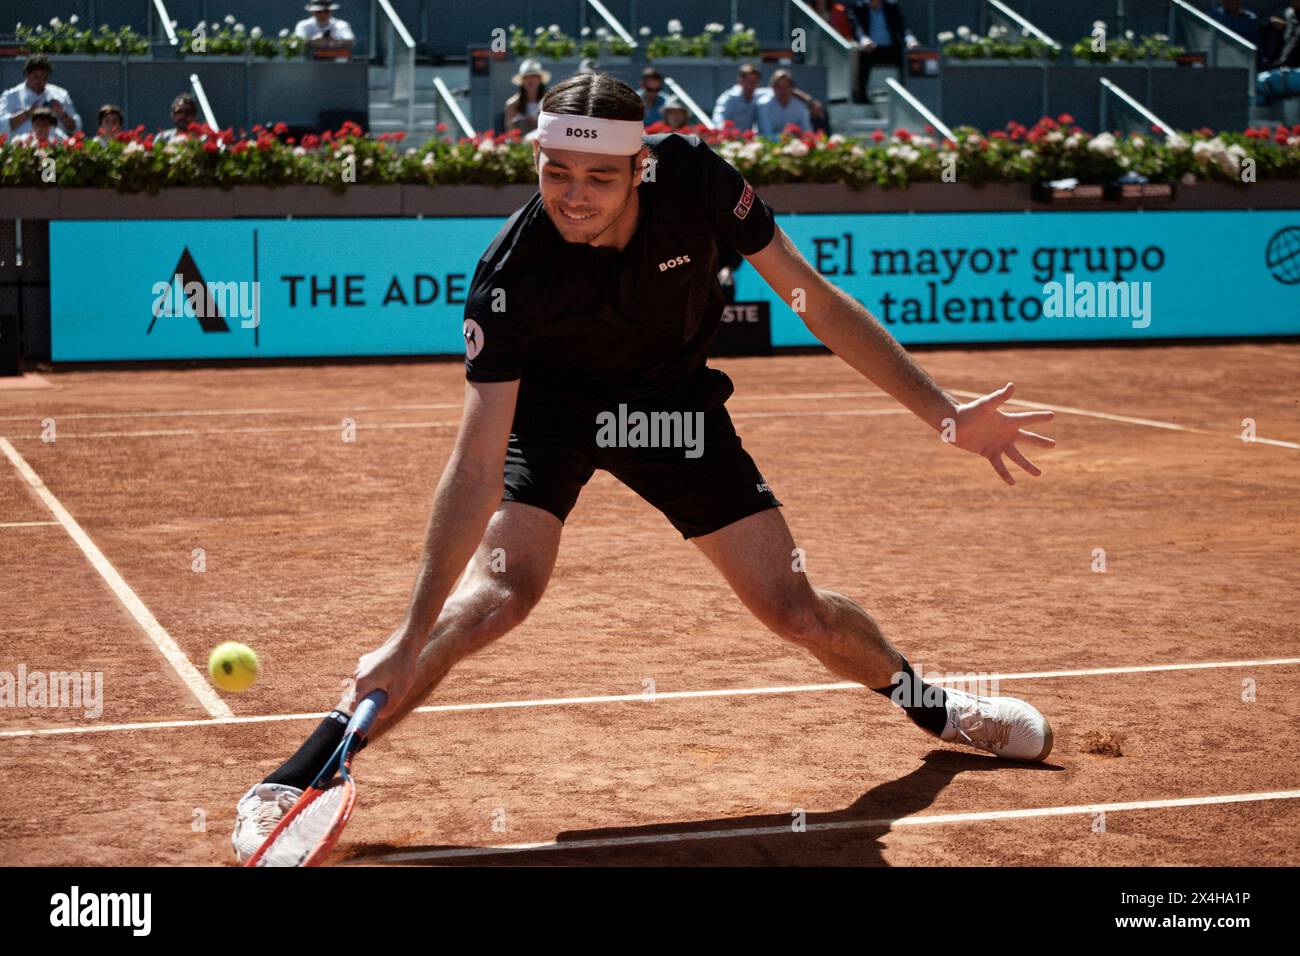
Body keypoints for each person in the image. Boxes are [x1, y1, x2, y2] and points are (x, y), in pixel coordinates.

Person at [231, 71, 1057, 862]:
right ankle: (298, 777)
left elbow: (814, 301)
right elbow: (477, 465)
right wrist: (408, 633)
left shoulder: (697, 181)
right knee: (494, 602)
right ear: (536, 163)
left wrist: (944, 413)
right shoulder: (511, 276)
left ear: (642, 166)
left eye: (599, 175)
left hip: (675, 411)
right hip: (552, 417)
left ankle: (937, 711)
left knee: (798, 613)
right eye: (557, 172)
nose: (575, 195)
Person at [848, 0, 918, 104]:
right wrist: (864, 40)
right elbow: (858, 28)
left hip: (891, 48)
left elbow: (903, 28)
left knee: (905, 57)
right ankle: (862, 96)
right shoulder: (859, 7)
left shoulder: (892, 6)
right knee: (863, 57)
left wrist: (910, 40)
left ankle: (905, 95)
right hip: (870, 48)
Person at [1, 54, 81, 139]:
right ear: (27, 75)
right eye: (36, 77)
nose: (40, 81)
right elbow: (1, 126)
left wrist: (63, 114)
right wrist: (27, 113)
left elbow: (75, 128)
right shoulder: (10, 96)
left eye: (44, 77)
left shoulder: (60, 95)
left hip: (55, 148)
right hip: (21, 149)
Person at [756, 69, 812, 137]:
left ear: (792, 88)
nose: (782, 90)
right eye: (778, 86)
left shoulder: (800, 106)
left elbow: (807, 131)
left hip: (796, 145)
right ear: (773, 87)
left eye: (786, 86)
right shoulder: (764, 105)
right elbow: (767, 134)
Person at [711, 62, 764, 131]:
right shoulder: (728, 98)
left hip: (748, 139)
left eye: (754, 82)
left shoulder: (758, 96)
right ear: (740, 80)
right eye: (748, 81)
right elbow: (718, 121)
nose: (751, 85)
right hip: (729, 139)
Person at [504, 58, 550, 135]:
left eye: (533, 76)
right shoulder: (512, 104)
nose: (530, 80)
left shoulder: (548, 101)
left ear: (540, 79)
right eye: (526, 77)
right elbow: (510, 131)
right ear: (522, 81)